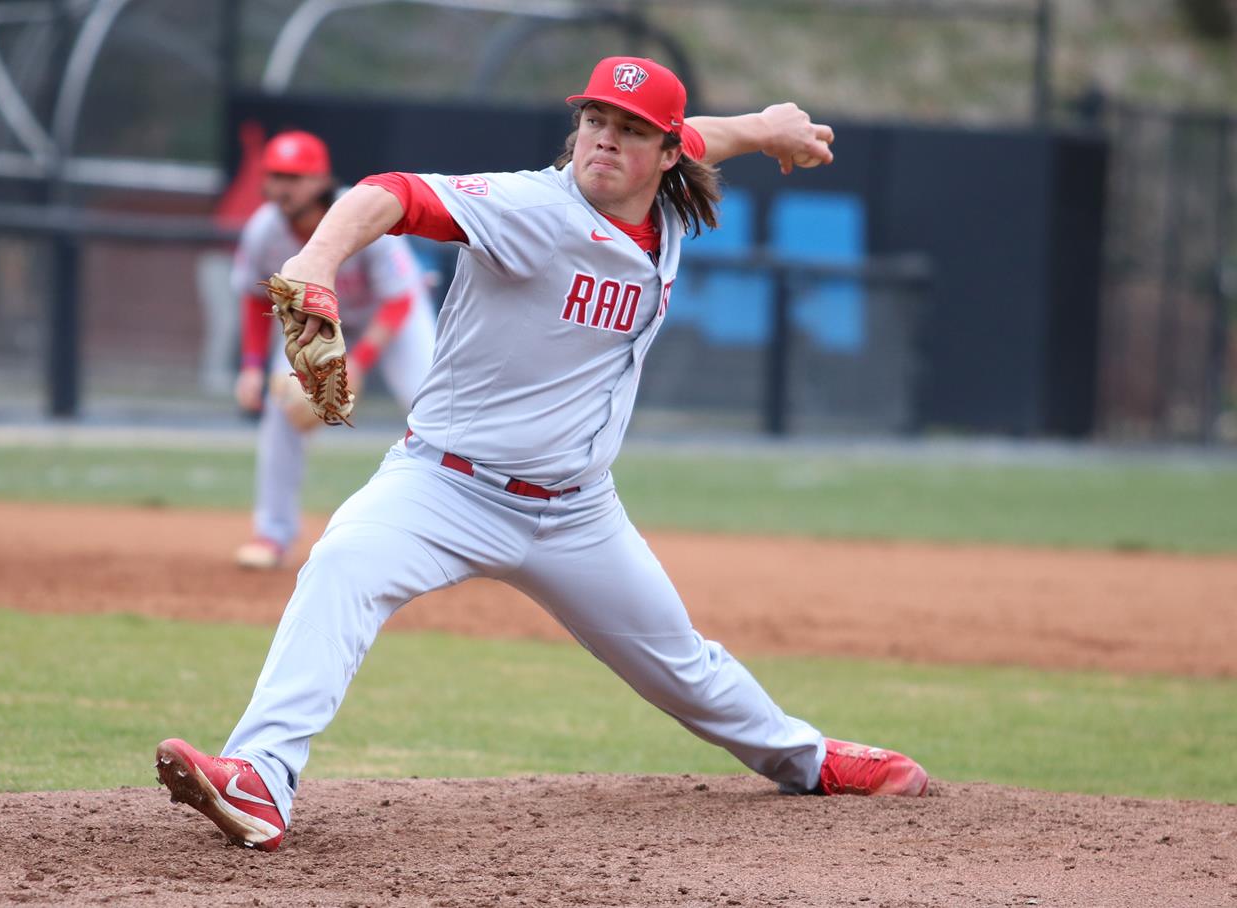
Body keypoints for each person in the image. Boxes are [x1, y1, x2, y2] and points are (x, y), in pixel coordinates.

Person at [158, 58, 928, 852]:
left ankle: (807, 759)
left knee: (683, 666)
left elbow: (707, 135)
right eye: (595, 120)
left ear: (666, 156)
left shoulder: (664, 188)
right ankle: (261, 776)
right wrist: (317, 261)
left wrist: (769, 127)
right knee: (342, 566)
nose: (606, 139)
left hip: (577, 512)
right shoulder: (532, 207)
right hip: (446, 488)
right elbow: (390, 192)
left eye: (630, 129)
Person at [229, 130, 438, 570]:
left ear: (320, 180)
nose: (281, 187)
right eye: (274, 175)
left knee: (433, 406)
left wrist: (356, 364)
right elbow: (254, 297)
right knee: (281, 406)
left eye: (294, 176)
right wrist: (250, 366)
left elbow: (400, 299)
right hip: (316, 320)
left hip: (389, 312)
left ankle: (448, 529)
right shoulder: (264, 230)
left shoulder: (361, 214)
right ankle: (272, 533)